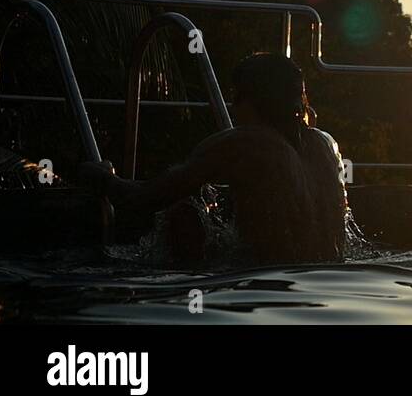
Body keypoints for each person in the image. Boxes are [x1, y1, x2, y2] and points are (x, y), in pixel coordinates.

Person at [82, 53, 348, 265]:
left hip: (266, 281)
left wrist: (102, 177)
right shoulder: (324, 143)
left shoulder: (247, 142)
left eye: (235, 96)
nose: (232, 108)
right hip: (321, 277)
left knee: (179, 213)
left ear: (248, 99)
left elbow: (143, 199)